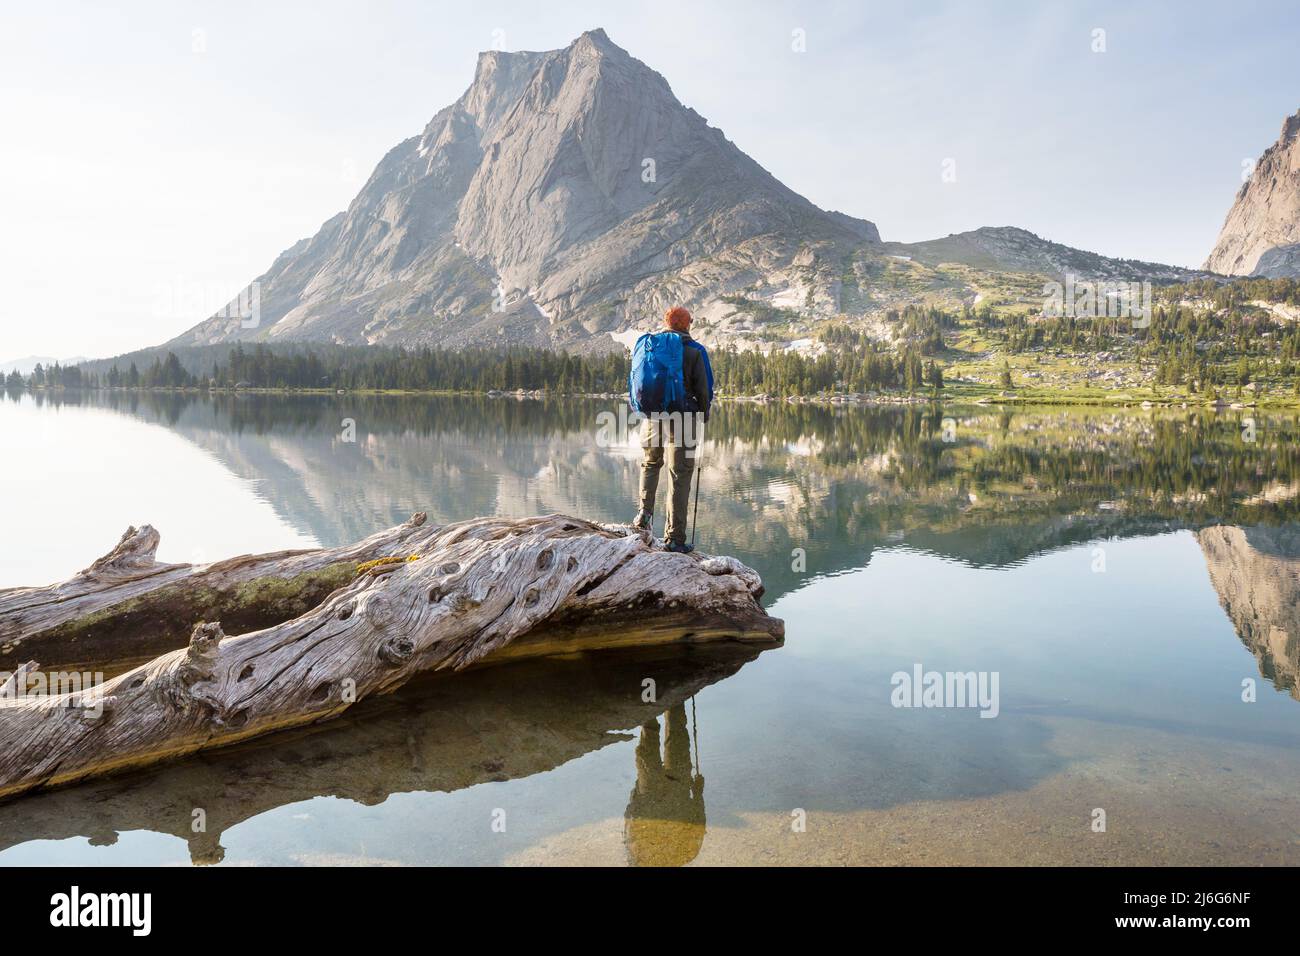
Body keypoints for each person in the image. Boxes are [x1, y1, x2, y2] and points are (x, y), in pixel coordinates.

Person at [632, 306, 712, 553]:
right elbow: (704, 389)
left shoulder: (654, 346)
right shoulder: (695, 351)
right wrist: (704, 414)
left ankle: (644, 516)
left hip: (653, 415)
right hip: (684, 418)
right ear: (687, 324)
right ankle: (674, 538)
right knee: (679, 475)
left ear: (666, 323)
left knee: (650, 462)